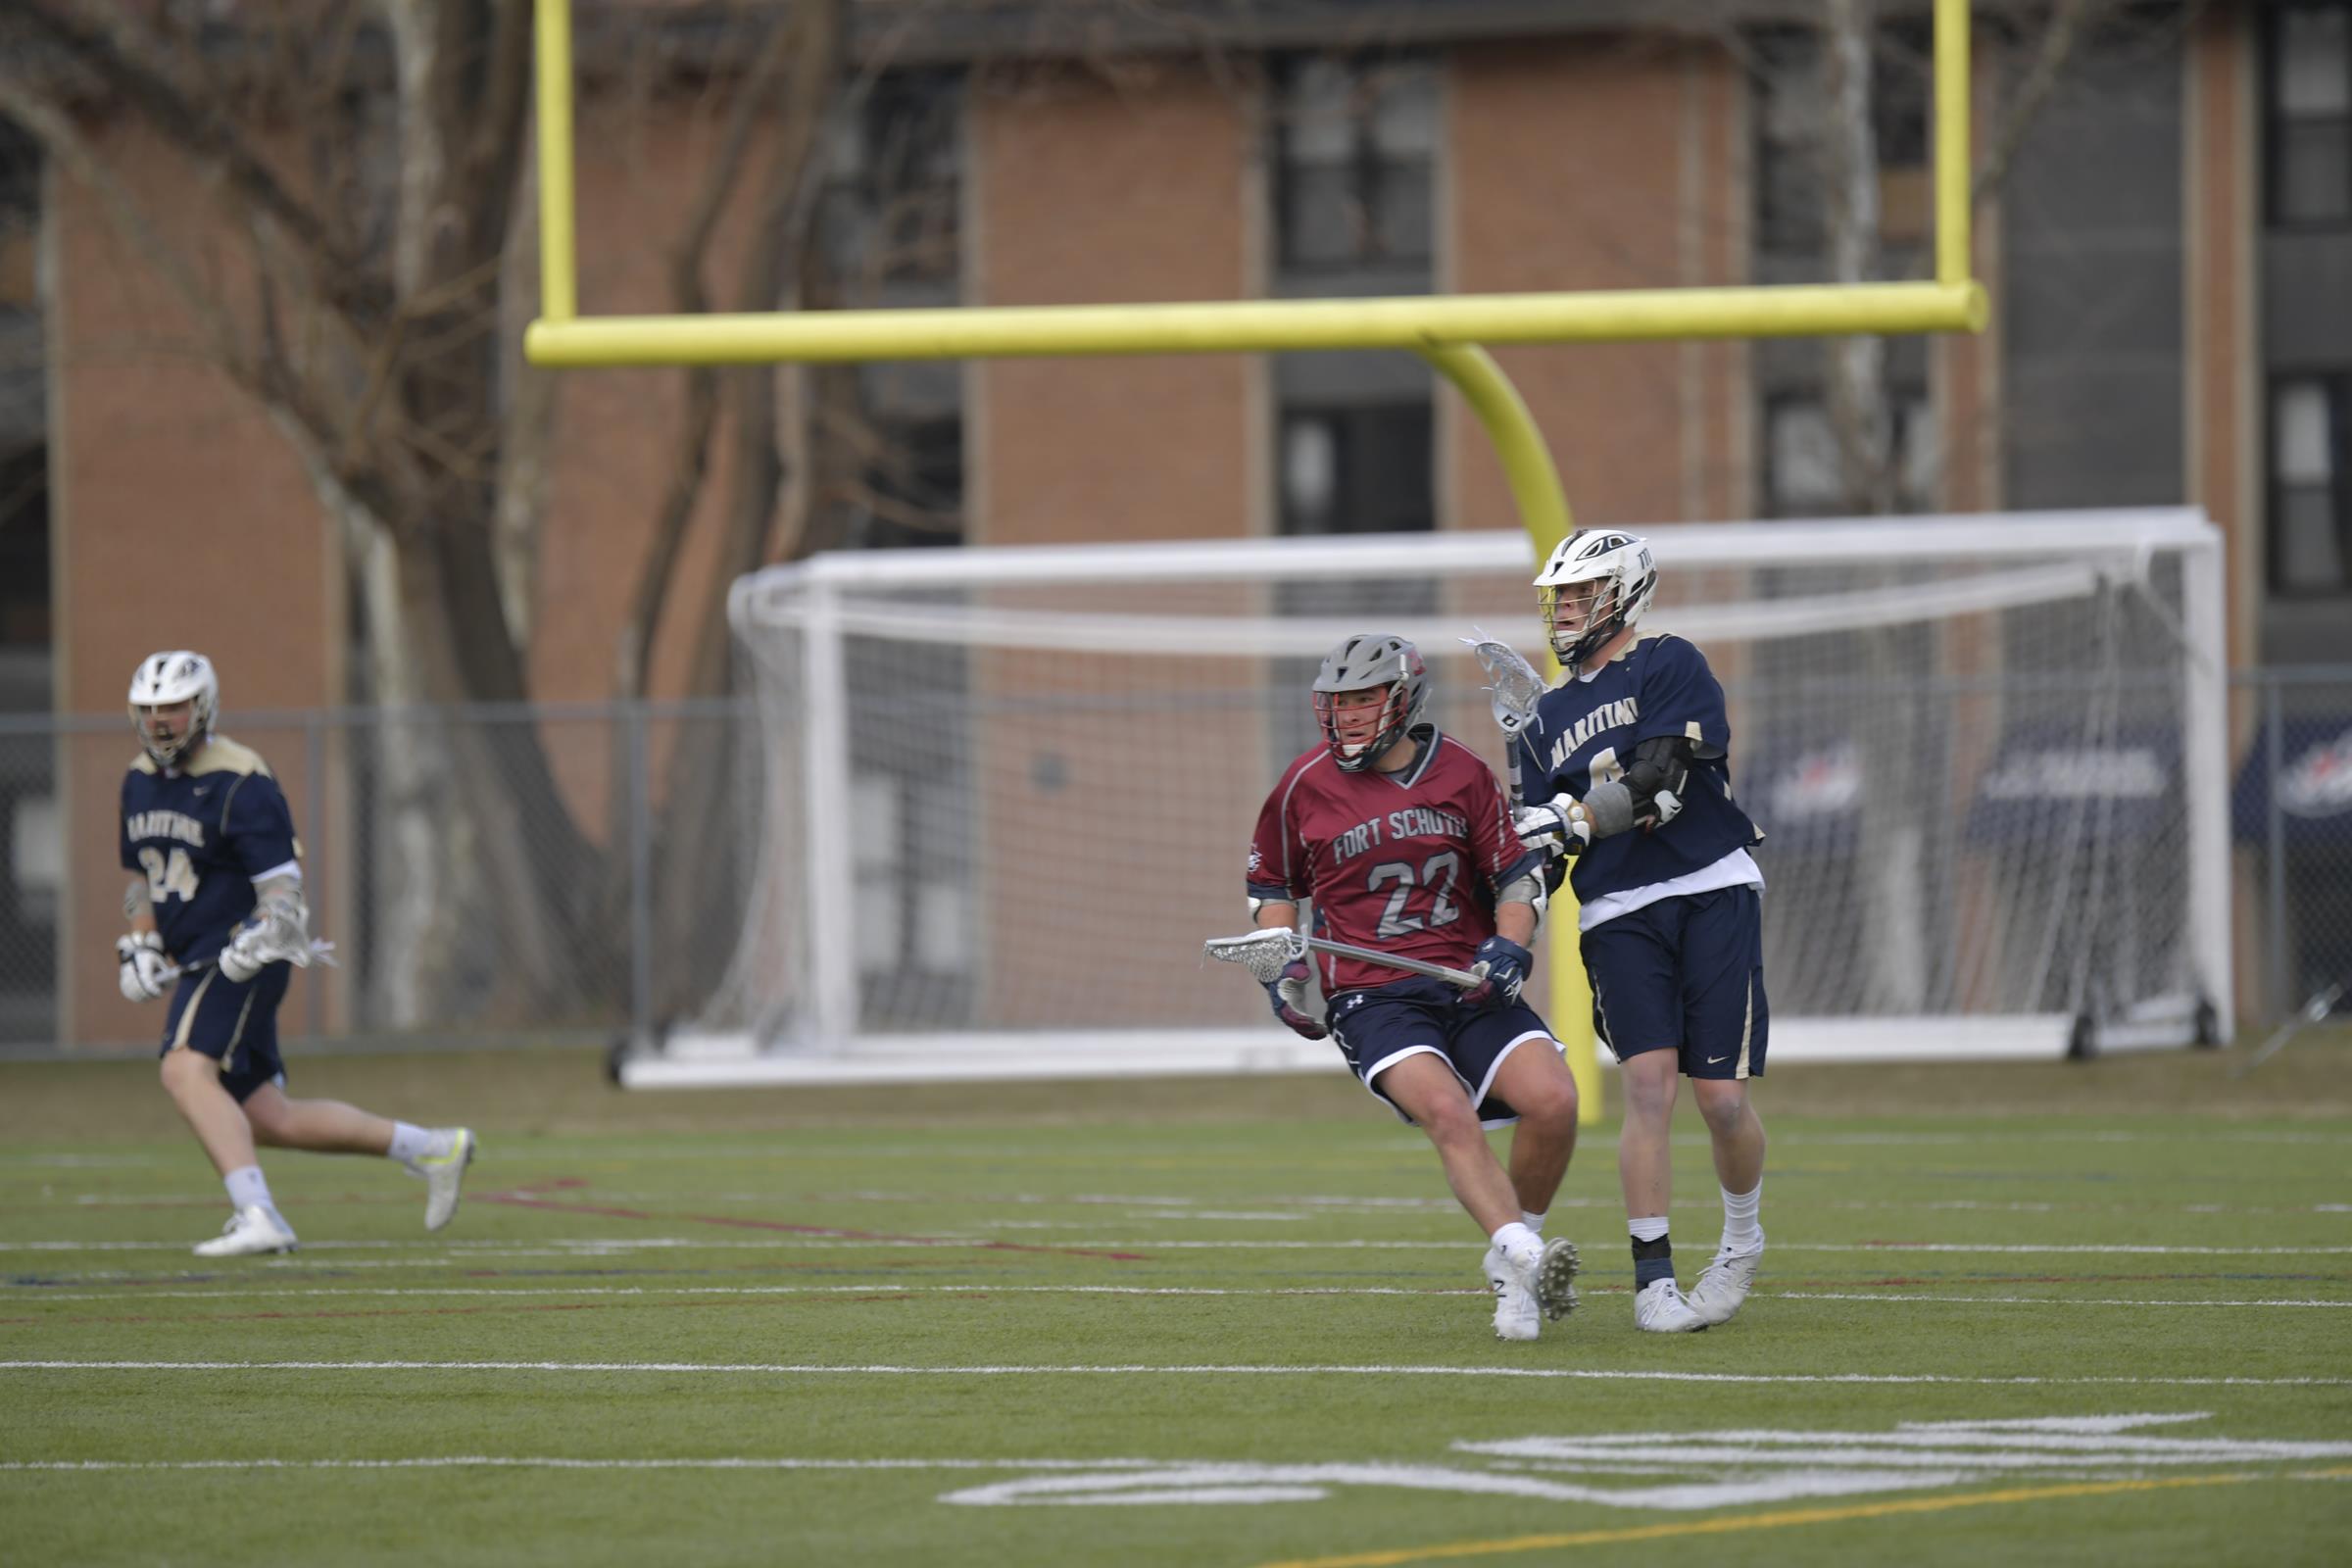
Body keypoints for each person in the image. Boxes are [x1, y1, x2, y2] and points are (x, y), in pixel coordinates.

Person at [1241, 632, 1584, 1341]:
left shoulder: (1461, 772)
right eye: (1337, 703)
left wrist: (1511, 946)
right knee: (1448, 1112)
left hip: (1467, 978)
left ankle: (1511, 1262)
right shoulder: (1302, 786)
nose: (1348, 716)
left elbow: (1515, 877)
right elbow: (1272, 885)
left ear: (1402, 700)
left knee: (1554, 1101)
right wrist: (1281, 968)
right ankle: (1526, 1255)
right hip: (1372, 994)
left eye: (1364, 699)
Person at [115, 650, 477, 1257]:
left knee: (183, 1069)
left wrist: (259, 935)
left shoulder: (241, 779)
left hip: (246, 953)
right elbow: (137, 877)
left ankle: (258, 1212)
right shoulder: (135, 779)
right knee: (265, 1117)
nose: (160, 721)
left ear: (201, 708)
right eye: (149, 709)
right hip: (196, 955)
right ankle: (432, 1148)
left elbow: (284, 887)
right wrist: (139, 942)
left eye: (173, 707)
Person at [1507, 529, 1769, 1334]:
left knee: (1721, 1100)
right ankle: (1653, 1283)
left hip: (1709, 885)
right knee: (1647, 1086)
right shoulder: (1540, 718)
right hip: (1619, 909)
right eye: (1561, 598)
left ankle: (1741, 1241)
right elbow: (1537, 859)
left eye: (1582, 594)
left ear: (1623, 593)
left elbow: (1662, 782)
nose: (1567, 612)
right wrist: (1506, 921)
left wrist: (1570, 818)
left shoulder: (1668, 661)